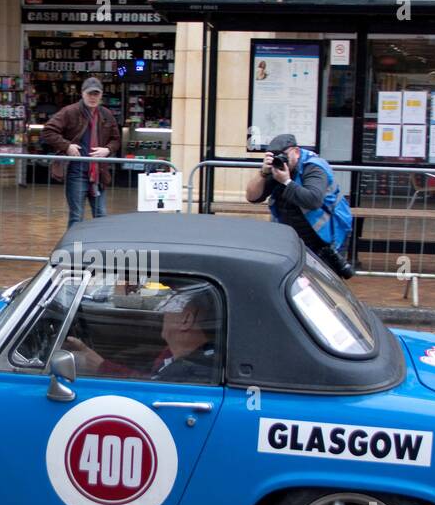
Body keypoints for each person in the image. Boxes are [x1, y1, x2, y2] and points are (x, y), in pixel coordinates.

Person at [244, 133, 354, 278]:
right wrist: (263, 173)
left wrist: (287, 182)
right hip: (294, 239)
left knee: (326, 286)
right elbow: (252, 197)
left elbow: (313, 201)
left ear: (296, 152)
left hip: (326, 239)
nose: (280, 160)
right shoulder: (277, 169)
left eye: (283, 155)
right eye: (275, 156)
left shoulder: (314, 167)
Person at [64, 284, 219, 384]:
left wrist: (100, 366)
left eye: (171, 302)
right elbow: (146, 378)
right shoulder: (174, 356)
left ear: (186, 320)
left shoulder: (193, 370)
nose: (164, 310)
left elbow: (148, 388)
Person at [42, 76, 120, 226]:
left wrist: (107, 150)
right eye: (89, 94)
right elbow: (48, 131)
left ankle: (99, 249)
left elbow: (116, 140)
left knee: (101, 215)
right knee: (77, 217)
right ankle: (74, 249)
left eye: (96, 94)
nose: (92, 97)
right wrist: (67, 146)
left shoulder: (106, 114)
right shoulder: (70, 111)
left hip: (99, 173)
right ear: (82, 93)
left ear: (101, 95)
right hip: (77, 172)